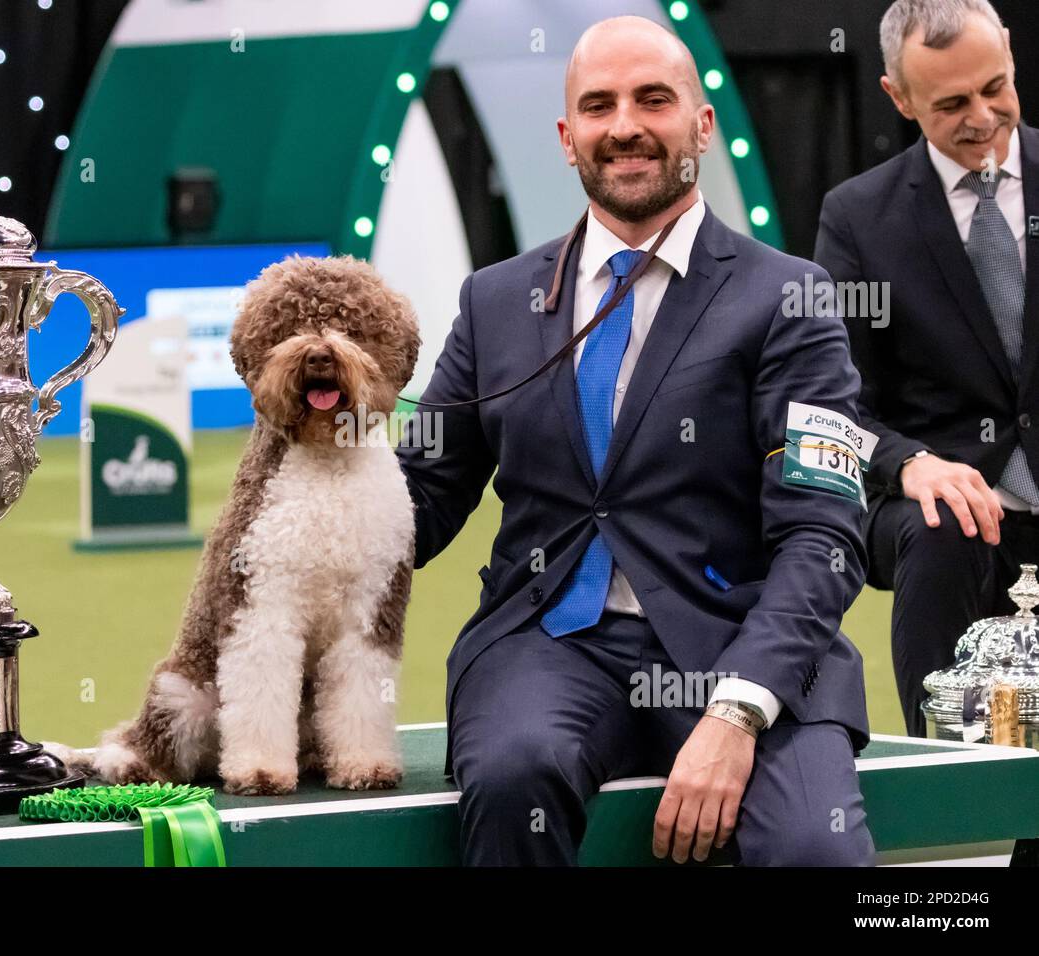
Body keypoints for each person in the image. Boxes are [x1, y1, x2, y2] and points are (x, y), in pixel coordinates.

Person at [395, 15, 875, 866]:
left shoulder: (792, 297)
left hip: (742, 641)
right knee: (512, 780)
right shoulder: (494, 300)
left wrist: (736, 712)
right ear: (566, 137)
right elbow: (419, 501)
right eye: (598, 105)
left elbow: (823, 534)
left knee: (814, 851)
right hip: (546, 646)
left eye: (654, 99)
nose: (625, 126)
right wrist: (308, 506)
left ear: (700, 121)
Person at [814, 0, 1037, 737]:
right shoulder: (856, 218)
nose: (982, 116)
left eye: (995, 87)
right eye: (950, 103)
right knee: (948, 524)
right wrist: (910, 464)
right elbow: (828, 401)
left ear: (1008, 49)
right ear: (897, 97)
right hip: (941, 520)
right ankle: (944, 760)